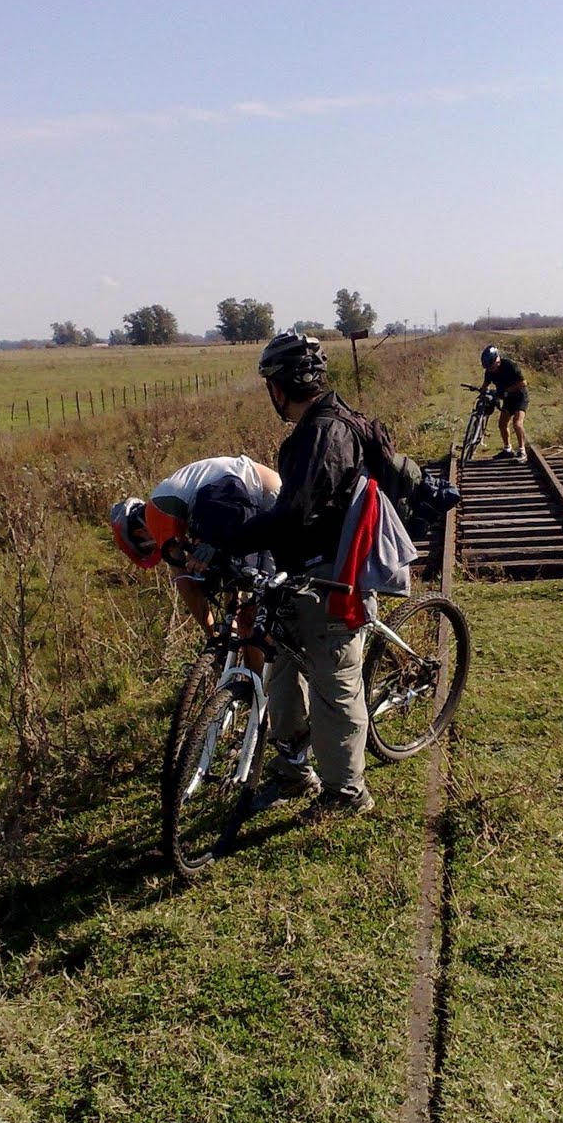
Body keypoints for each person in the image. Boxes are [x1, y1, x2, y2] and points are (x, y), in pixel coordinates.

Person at [200, 330, 376, 822]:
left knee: (334, 684)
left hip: (331, 580)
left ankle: (347, 793)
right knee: (282, 672)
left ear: (278, 387)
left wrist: (237, 539)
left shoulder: (324, 434)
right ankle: (294, 770)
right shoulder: (321, 427)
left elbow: (296, 515)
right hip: (299, 575)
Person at [109, 455, 281, 639]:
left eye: (150, 548)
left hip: (265, 497)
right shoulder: (193, 510)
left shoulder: (156, 514)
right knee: (251, 607)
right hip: (267, 491)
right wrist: (231, 618)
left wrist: (211, 633)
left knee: (262, 615)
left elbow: (185, 582)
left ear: (139, 534)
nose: (157, 547)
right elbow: (231, 571)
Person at [481, 345, 529, 462]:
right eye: (488, 367)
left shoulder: (510, 366)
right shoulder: (489, 372)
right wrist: (482, 392)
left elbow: (523, 383)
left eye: (492, 367)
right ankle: (507, 449)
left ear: (497, 360)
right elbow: (485, 384)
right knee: (502, 424)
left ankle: (522, 451)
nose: (491, 369)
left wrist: (507, 390)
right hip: (508, 399)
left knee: (517, 423)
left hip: (520, 397)